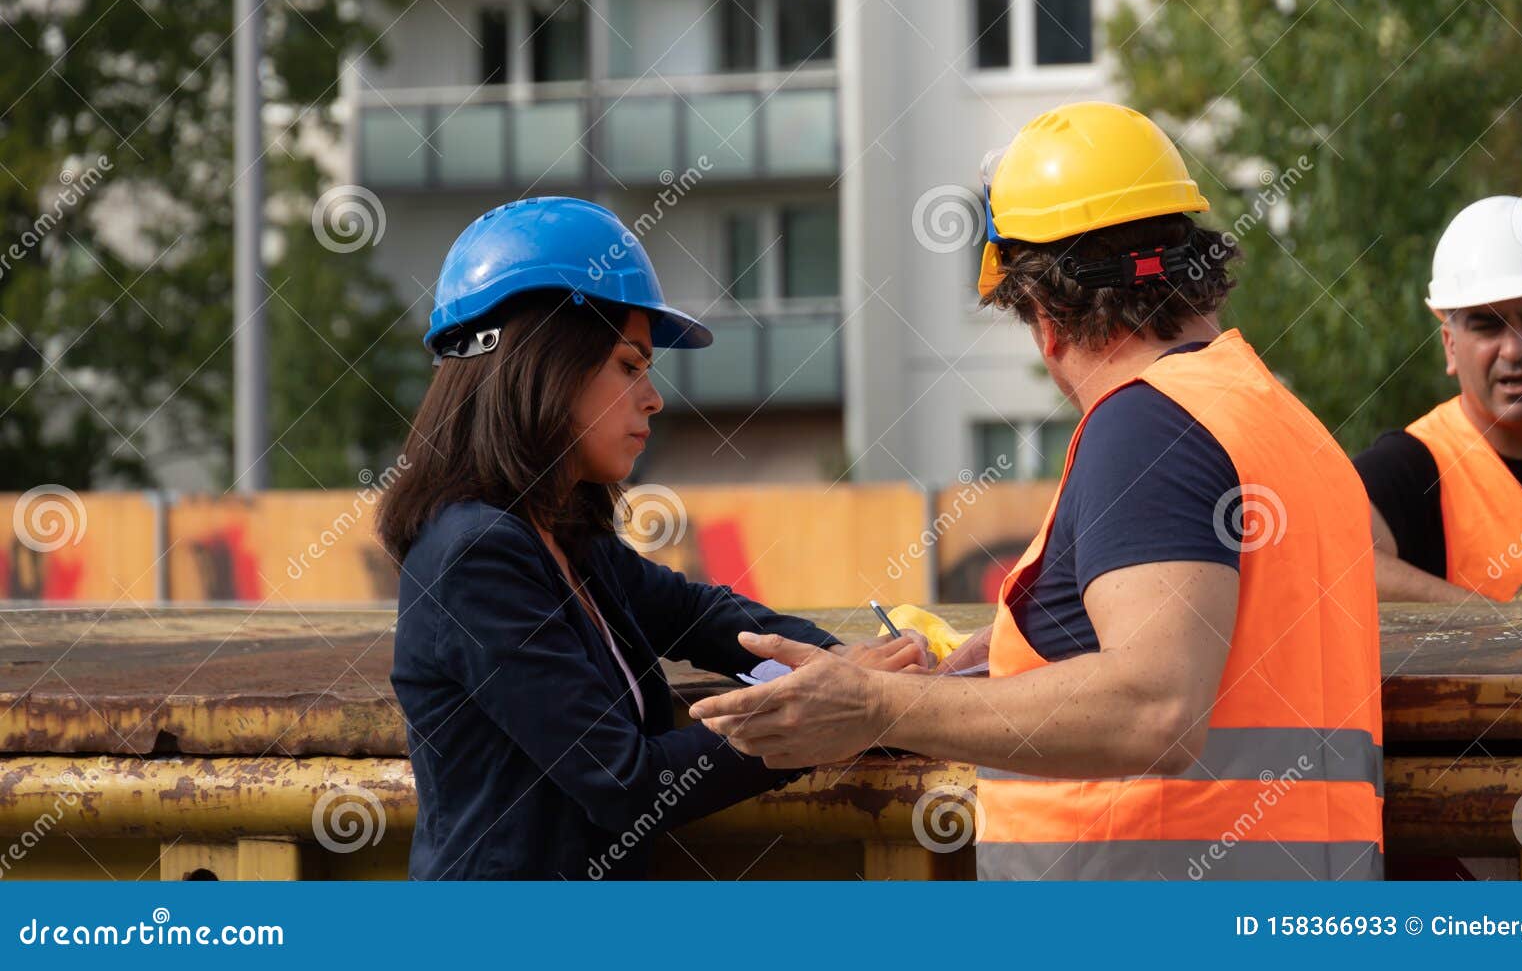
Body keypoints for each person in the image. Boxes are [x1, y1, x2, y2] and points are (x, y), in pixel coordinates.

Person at [689, 103, 1385, 880]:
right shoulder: (1287, 425)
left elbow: (1156, 705)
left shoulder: (1149, 426)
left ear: (1046, 313)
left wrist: (880, 707)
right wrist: (1008, 659)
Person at [378, 196, 928, 880]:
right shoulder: (474, 554)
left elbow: (705, 618)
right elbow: (624, 780)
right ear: (542, 363)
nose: (653, 397)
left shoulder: (566, 541)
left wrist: (846, 663)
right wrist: (813, 718)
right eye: (629, 364)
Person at [1355, 194, 1522, 601]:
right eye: (1487, 326)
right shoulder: (1413, 470)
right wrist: (1500, 628)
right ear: (1450, 346)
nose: (1514, 349)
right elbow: (1332, 560)